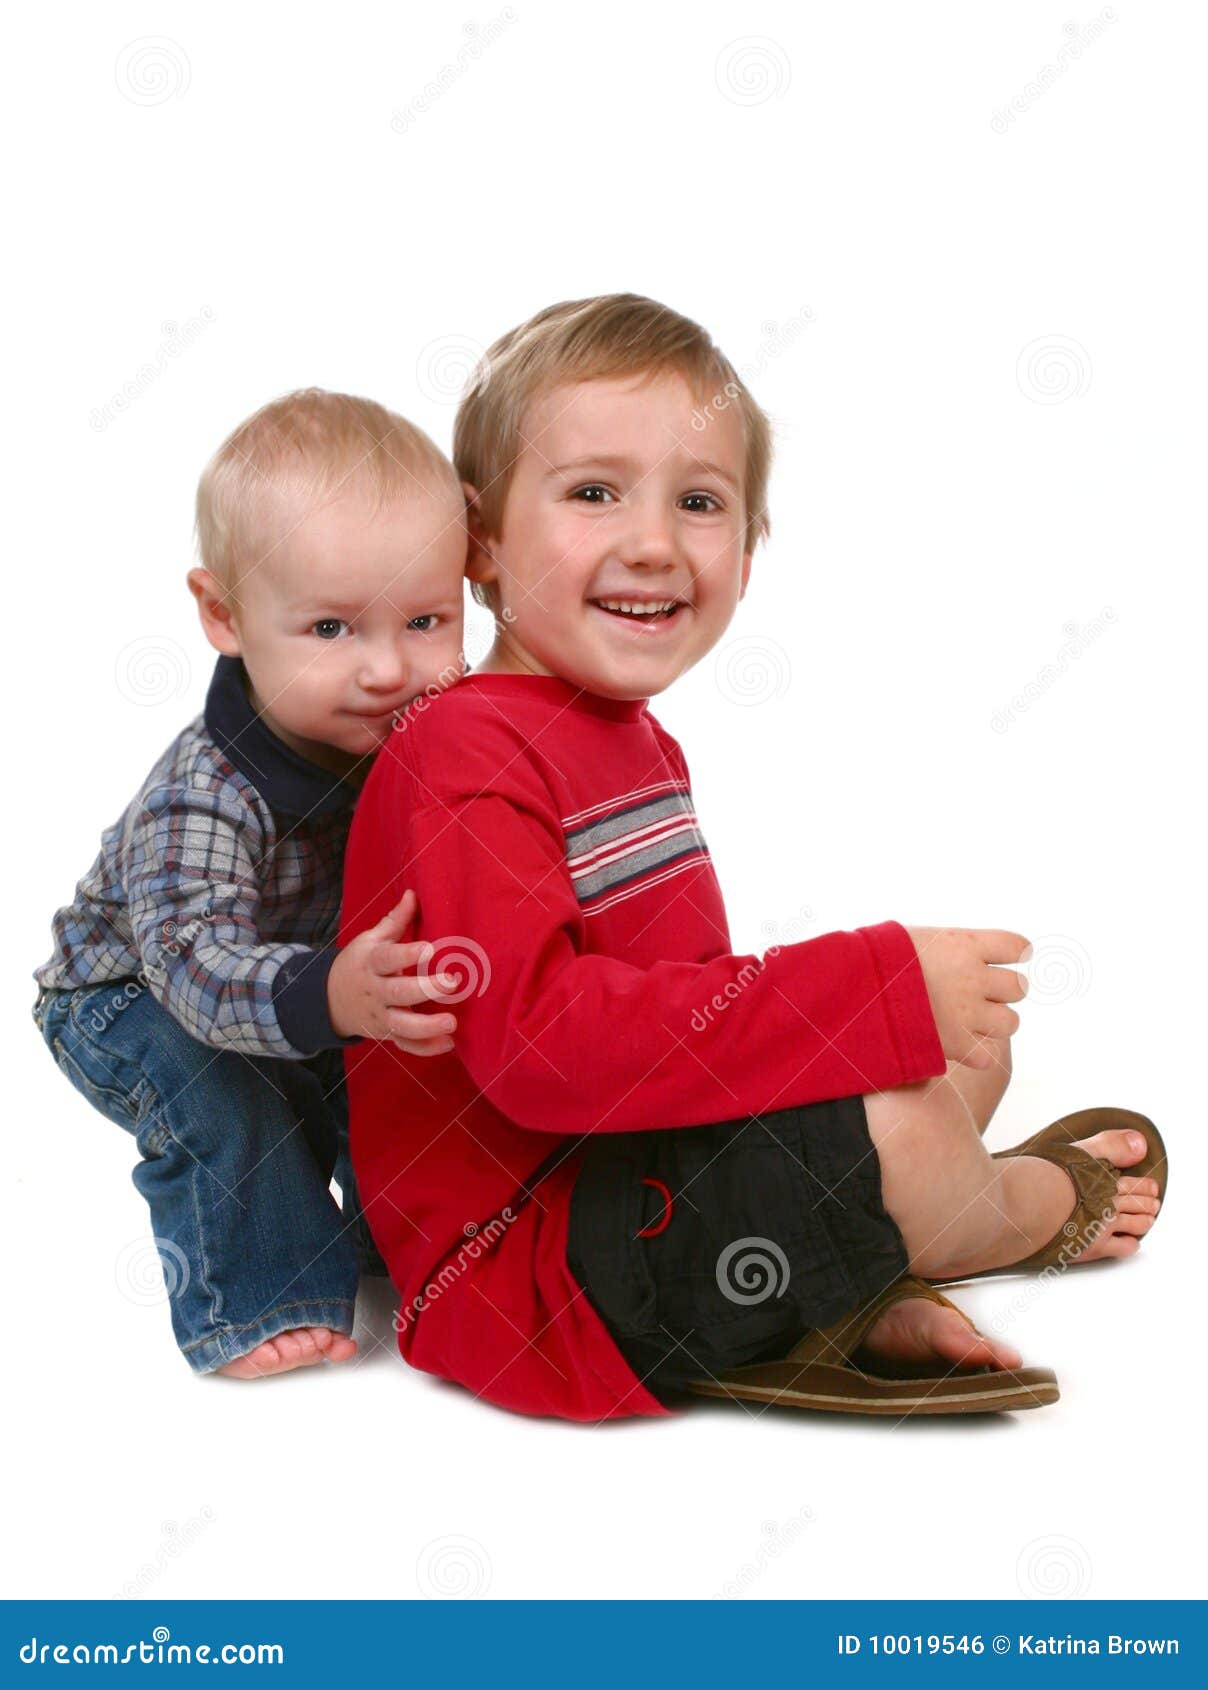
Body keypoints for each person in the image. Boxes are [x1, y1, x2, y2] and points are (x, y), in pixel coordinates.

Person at [340, 296, 1162, 1421]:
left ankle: (852, 1278)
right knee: (908, 1111)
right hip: (536, 1263)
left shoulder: (632, 737)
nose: (653, 542)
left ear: (750, 543)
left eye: (699, 502)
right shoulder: (462, 744)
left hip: (640, 1173)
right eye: (592, 492)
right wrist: (860, 987)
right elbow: (540, 1048)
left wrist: (861, 1034)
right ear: (477, 538)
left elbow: (679, 1029)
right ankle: (1012, 1209)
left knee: (963, 1054)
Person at [32, 388, 468, 1378]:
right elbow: (192, 967)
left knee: (398, 1060)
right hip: (133, 992)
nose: (389, 668)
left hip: (311, 973)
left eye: (426, 619)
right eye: (330, 629)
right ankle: (253, 1297)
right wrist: (334, 994)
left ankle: (390, 1239)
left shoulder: (431, 729)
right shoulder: (208, 793)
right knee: (224, 1097)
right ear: (223, 614)